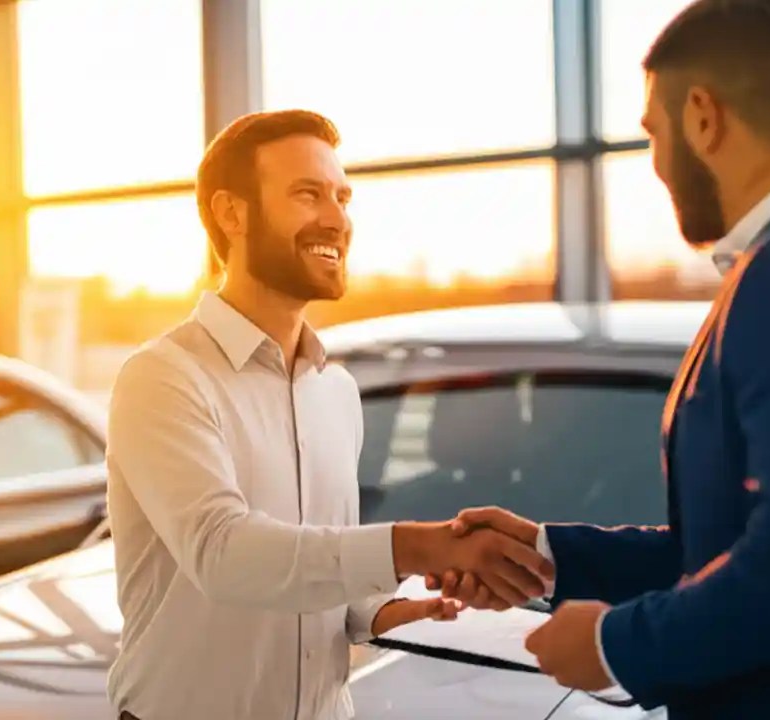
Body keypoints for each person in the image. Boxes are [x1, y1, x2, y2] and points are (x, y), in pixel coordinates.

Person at [433, 1, 770, 718]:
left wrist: (613, 645)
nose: (655, 162)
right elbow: (740, 543)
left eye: (653, 133)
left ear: (702, 116)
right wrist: (547, 553)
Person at [104, 109, 553, 720]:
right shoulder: (163, 377)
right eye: (308, 194)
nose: (337, 219)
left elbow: (326, 585)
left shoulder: (335, 391)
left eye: (342, 197)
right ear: (231, 214)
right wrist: (421, 547)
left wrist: (392, 607)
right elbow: (224, 554)